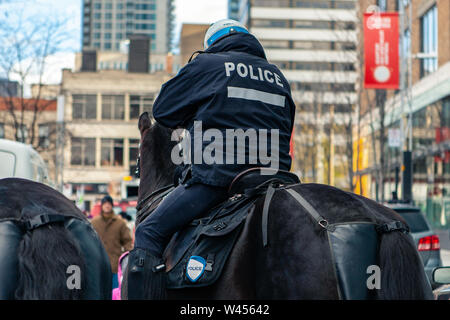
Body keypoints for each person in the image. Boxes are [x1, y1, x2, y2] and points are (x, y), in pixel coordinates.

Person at [127, 19, 296, 299]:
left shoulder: (208, 65)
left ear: (212, 45)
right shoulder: (278, 76)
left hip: (219, 179)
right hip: (275, 179)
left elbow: (163, 110)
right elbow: (287, 126)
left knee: (148, 232)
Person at [91, 195, 133, 290]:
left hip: (114, 264)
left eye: (109, 204)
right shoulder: (94, 222)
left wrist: (126, 257)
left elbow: (127, 241)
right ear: (102, 206)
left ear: (112, 205)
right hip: (98, 264)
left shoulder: (120, 223)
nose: (107, 206)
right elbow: (89, 240)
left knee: (114, 292)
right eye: (105, 204)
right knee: (98, 292)